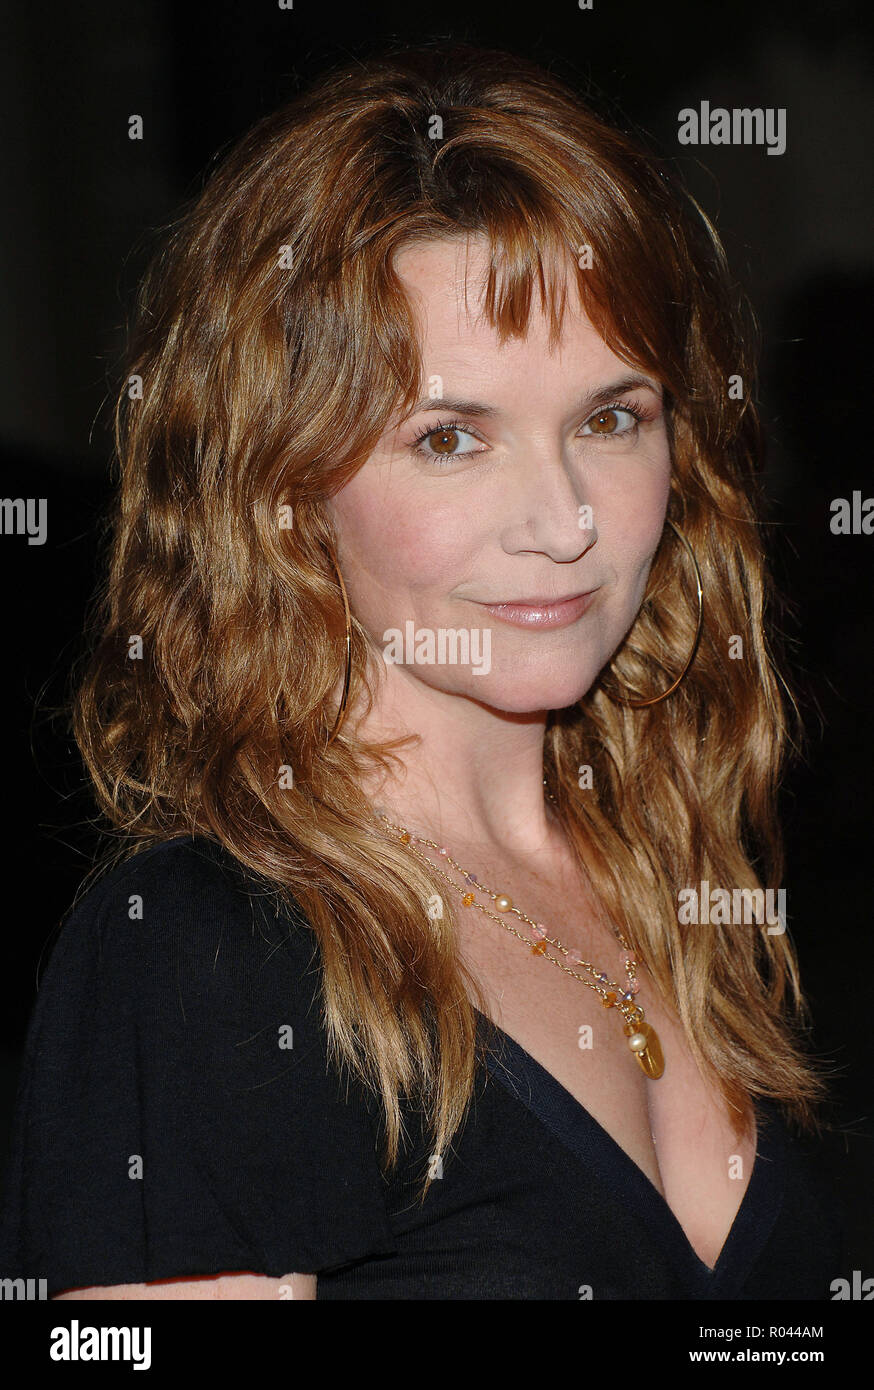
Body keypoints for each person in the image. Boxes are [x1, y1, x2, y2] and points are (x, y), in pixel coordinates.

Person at [0, 41, 844, 1300]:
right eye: (451, 438)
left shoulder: (679, 874)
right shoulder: (198, 955)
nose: (562, 517)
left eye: (610, 418)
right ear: (286, 489)